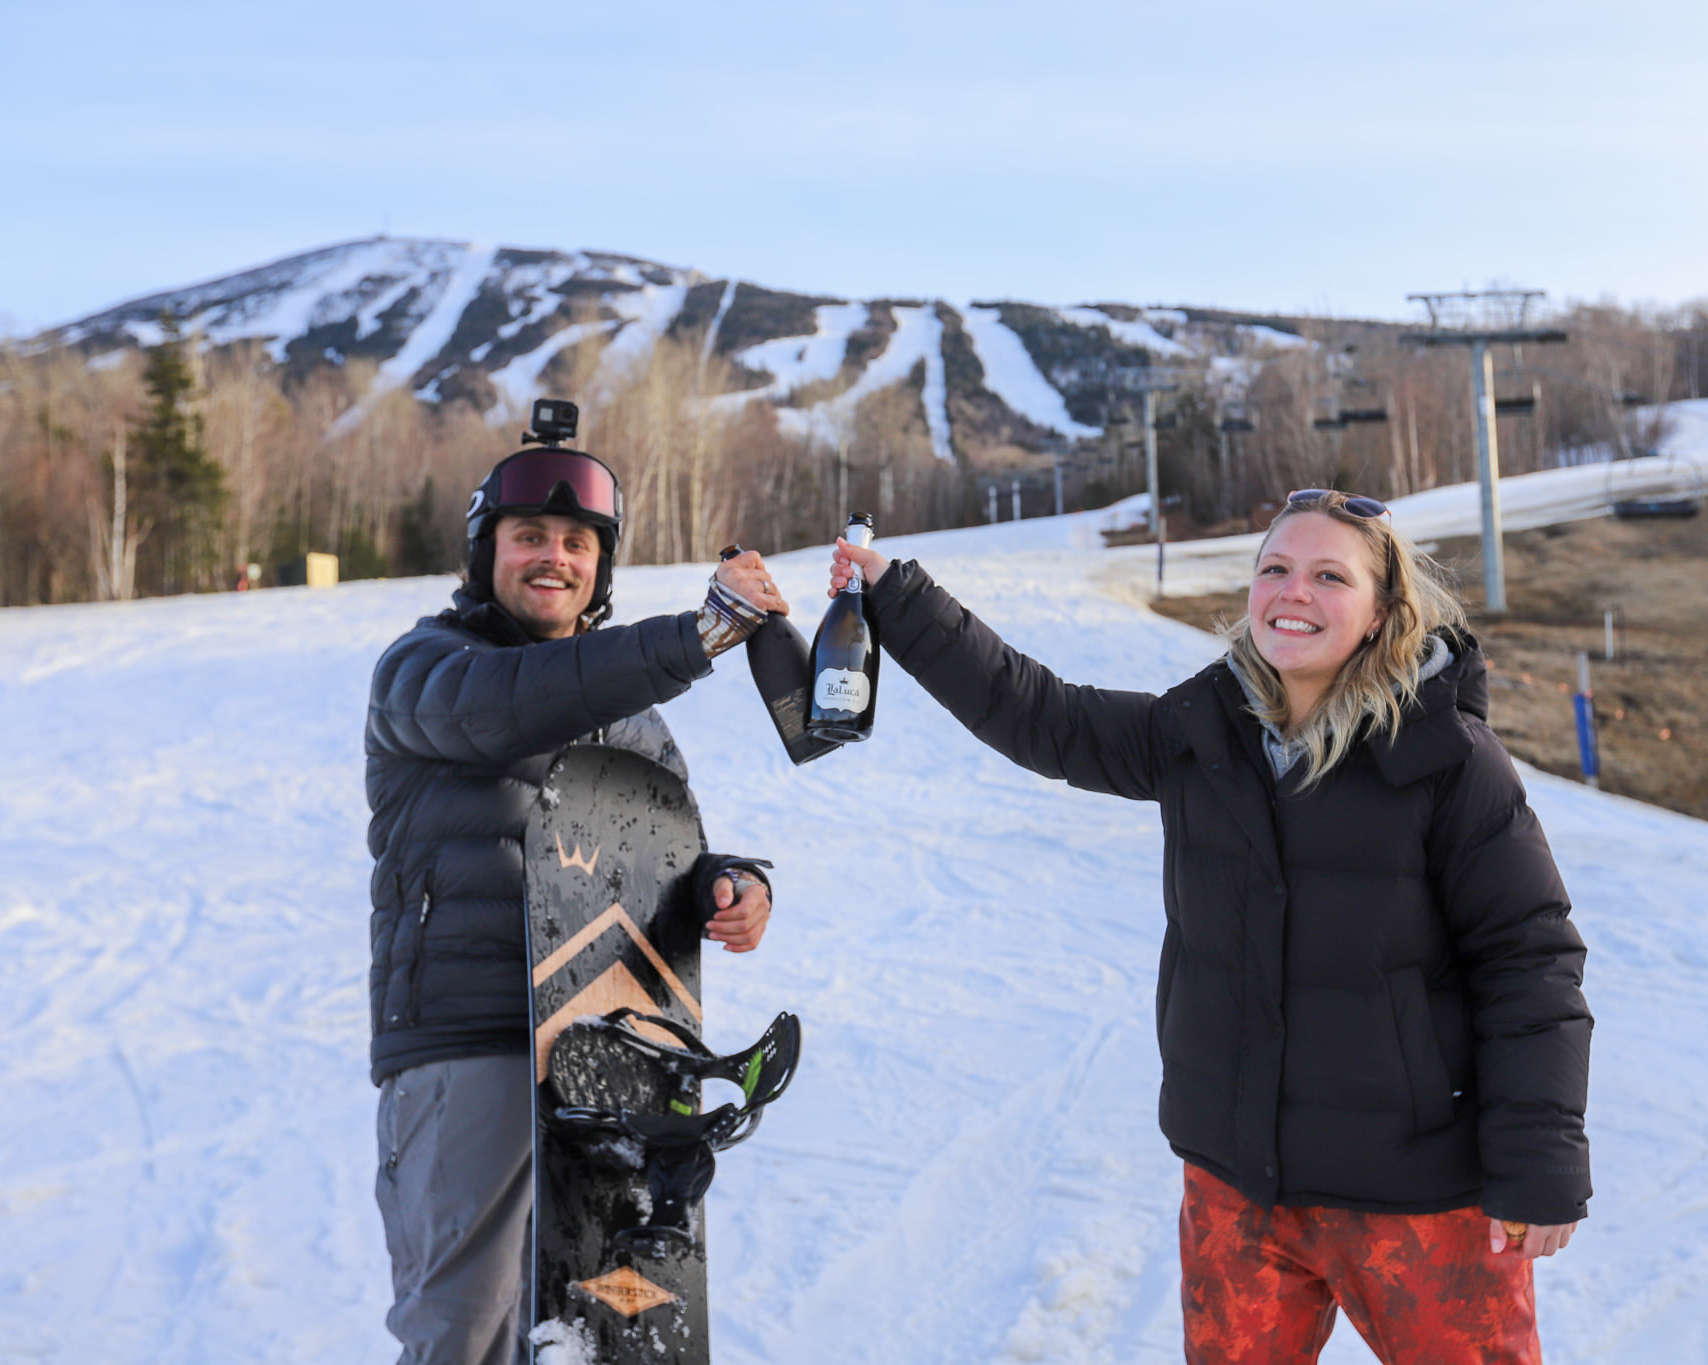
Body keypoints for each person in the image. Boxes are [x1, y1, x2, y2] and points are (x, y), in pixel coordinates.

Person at [830, 489, 1591, 1364]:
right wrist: (899, 595)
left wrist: (1539, 1163)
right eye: (1275, 568)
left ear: (1383, 613)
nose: (1292, 591)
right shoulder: (1200, 735)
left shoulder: (1450, 761)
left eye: (1328, 576)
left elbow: (1530, 961)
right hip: (1241, 1191)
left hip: (1415, 1194)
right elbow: (1040, 715)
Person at [364, 433, 789, 1365]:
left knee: (596, 1326)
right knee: (463, 1327)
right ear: (488, 553)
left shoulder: (632, 713)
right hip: (465, 1041)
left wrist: (733, 885)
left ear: (599, 567)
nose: (554, 555)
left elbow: (669, 850)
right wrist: (694, 637)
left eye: (577, 541)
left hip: (606, 1052)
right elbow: (513, 705)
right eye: (529, 535)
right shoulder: (425, 670)